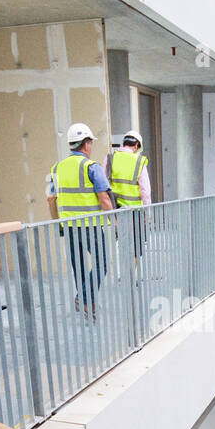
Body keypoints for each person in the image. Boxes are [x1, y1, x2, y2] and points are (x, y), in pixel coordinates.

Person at [48, 122, 114, 320]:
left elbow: (50, 198)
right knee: (102, 264)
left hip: (69, 227)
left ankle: (87, 304)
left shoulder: (57, 168)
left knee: (79, 267)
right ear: (86, 144)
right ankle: (84, 299)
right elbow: (104, 198)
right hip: (90, 226)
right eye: (90, 143)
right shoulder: (91, 167)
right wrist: (115, 220)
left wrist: (57, 222)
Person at [106, 129, 152, 273]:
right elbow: (145, 191)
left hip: (117, 211)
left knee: (124, 244)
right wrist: (148, 212)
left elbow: (103, 185)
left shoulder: (110, 159)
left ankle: (126, 273)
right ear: (137, 145)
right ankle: (130, 274)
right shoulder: (139, 161)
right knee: (136, 245)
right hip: (136, 212)